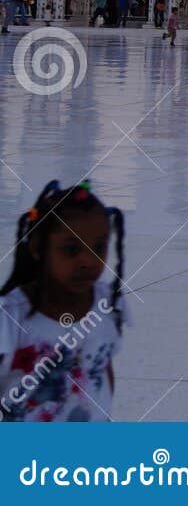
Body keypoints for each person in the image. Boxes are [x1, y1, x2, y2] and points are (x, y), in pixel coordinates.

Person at [0, 180, 127, 421]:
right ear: (38, 247)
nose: (87, 261)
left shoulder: (105, 304)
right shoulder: (10, 316)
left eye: (98, 248)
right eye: (71, 250)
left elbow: (102, 365)